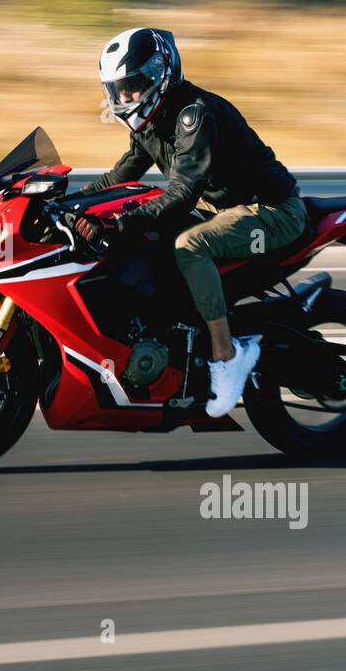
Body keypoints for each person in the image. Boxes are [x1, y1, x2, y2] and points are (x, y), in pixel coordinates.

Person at [74, 27, 306, 417]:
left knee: (189, 246)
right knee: (151, 244)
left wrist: (120, 222)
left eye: (133, 86)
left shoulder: (193, 115)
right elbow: (119, 176)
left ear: (160, 74)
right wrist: (68, 204)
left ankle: (226, 356)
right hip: (229, 213)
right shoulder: (152, 122)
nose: (125, 97)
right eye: (118, 90)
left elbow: (182, 192)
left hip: (272, 212)